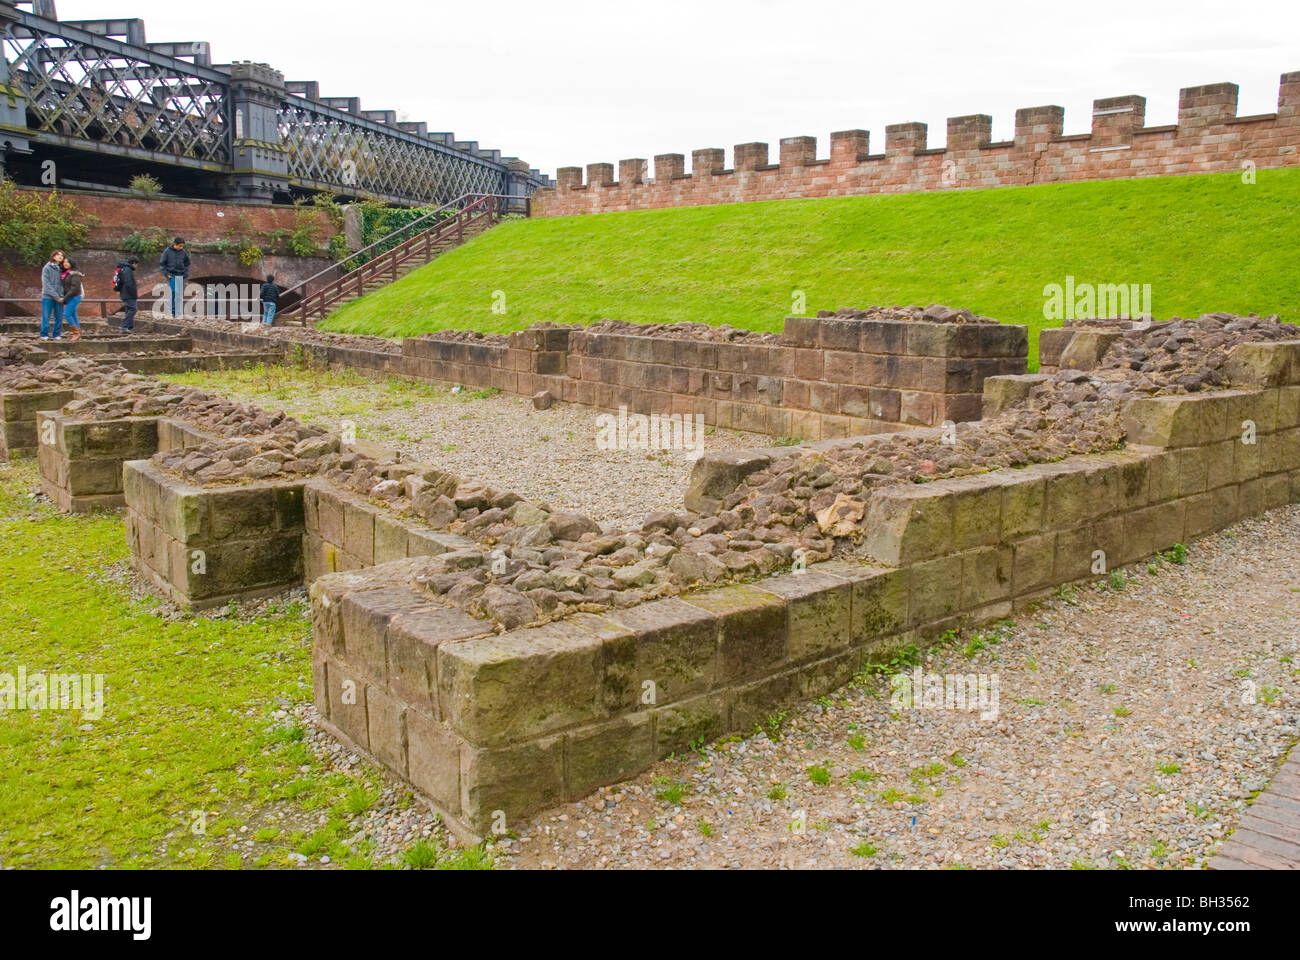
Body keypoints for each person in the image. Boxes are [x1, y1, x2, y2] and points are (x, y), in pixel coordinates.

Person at [159, 237, 190, 318]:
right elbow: (162, 264)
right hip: (171, 275)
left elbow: (187, 263)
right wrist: (167, 274)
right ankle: (172, 311)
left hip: (181, 275)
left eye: (182, 246)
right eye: (180, 246)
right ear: (174, 244)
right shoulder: (167, 252)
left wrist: (186, 273)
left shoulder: (183, 252)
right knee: (174, 291)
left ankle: (178, 313)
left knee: (179, 295)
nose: (181, 247)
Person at [39, 250, 65, 341]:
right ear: (53, 256)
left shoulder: (62, 268)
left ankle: (56, 334)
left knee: (59, 316)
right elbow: (46, 284)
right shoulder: (47, 268)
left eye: (62, 255)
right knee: (46, 316)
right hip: (48, 296)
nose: (61, 257)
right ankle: (44, 334)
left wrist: (62, 296)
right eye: (58, 255)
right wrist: (56, 296)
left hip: (60, 297)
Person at [114, 256, 140, 333]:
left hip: (125, 294)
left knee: (129, 310)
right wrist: (134, 294)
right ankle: (124, 326)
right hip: (128, 294)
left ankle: (128, 327)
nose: (137, 266)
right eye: (136, 264)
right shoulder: (128, 270)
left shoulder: (123, 269)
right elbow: (128, 283)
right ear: (133, 263)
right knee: (133, 309)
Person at [61, 259, 85, 338]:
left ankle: (76, 333)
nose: (65, 264)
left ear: (71, 263)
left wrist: (64, 298)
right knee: (73, 315)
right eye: (64, 262)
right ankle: (78, 331)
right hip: (70, 297)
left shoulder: (75, 274)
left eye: (67, 262)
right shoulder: (67, 273)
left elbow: (75, 288)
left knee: (67, 314)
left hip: (75, 297)